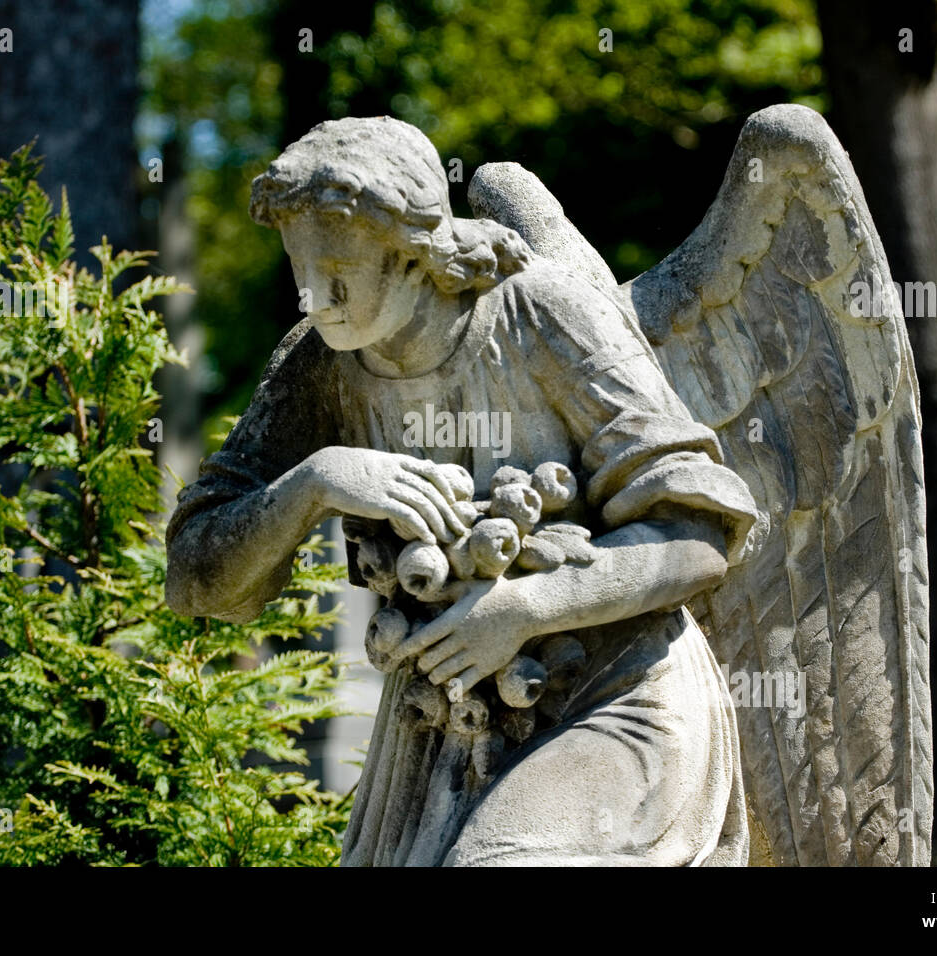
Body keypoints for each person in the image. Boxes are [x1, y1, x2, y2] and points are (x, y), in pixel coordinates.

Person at [166, 116, 760, 866]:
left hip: (614, 695)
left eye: (341, 265)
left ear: (414, 255)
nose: (313, 296)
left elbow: (699, 537)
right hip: (444, 726)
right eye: (299, 268)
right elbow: (195, 578)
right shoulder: (319, 363)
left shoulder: (538, 313)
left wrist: (528, 606)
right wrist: (316, 482)